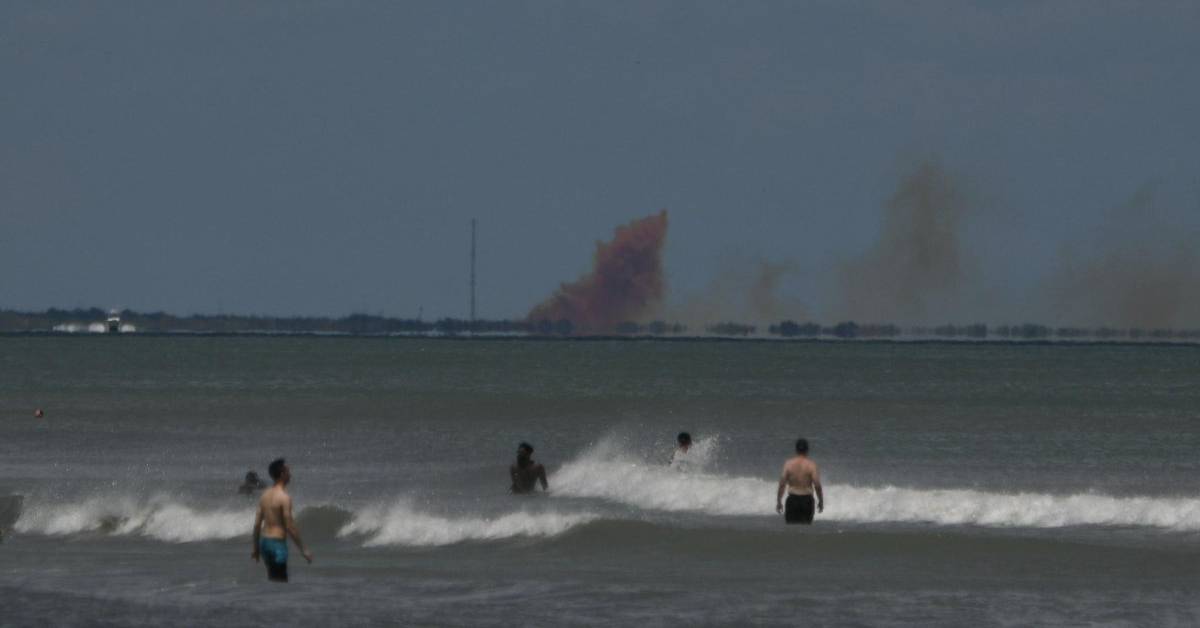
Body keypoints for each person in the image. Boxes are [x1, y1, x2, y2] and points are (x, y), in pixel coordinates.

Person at [252, 458, 313, 582]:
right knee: (280, 582)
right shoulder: (284, 498)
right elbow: (289, 526)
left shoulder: (264, 496)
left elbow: (257, 525)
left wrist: (256, 548)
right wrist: (303, 550)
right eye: (288, 472)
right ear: (282, 474)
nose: (290, 475)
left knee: (273, 579)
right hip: (277, 545)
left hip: (264, 544)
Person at [775, 438, 824, 525]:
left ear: (796, 449)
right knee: (806, 532)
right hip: (807, 501)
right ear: (807, 450)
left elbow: (782, 483)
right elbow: (817, 485)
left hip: (792, 500)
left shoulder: (788, 464)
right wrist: (821, 501)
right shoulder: (811, 465)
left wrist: (779, 501)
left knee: (791, 532)